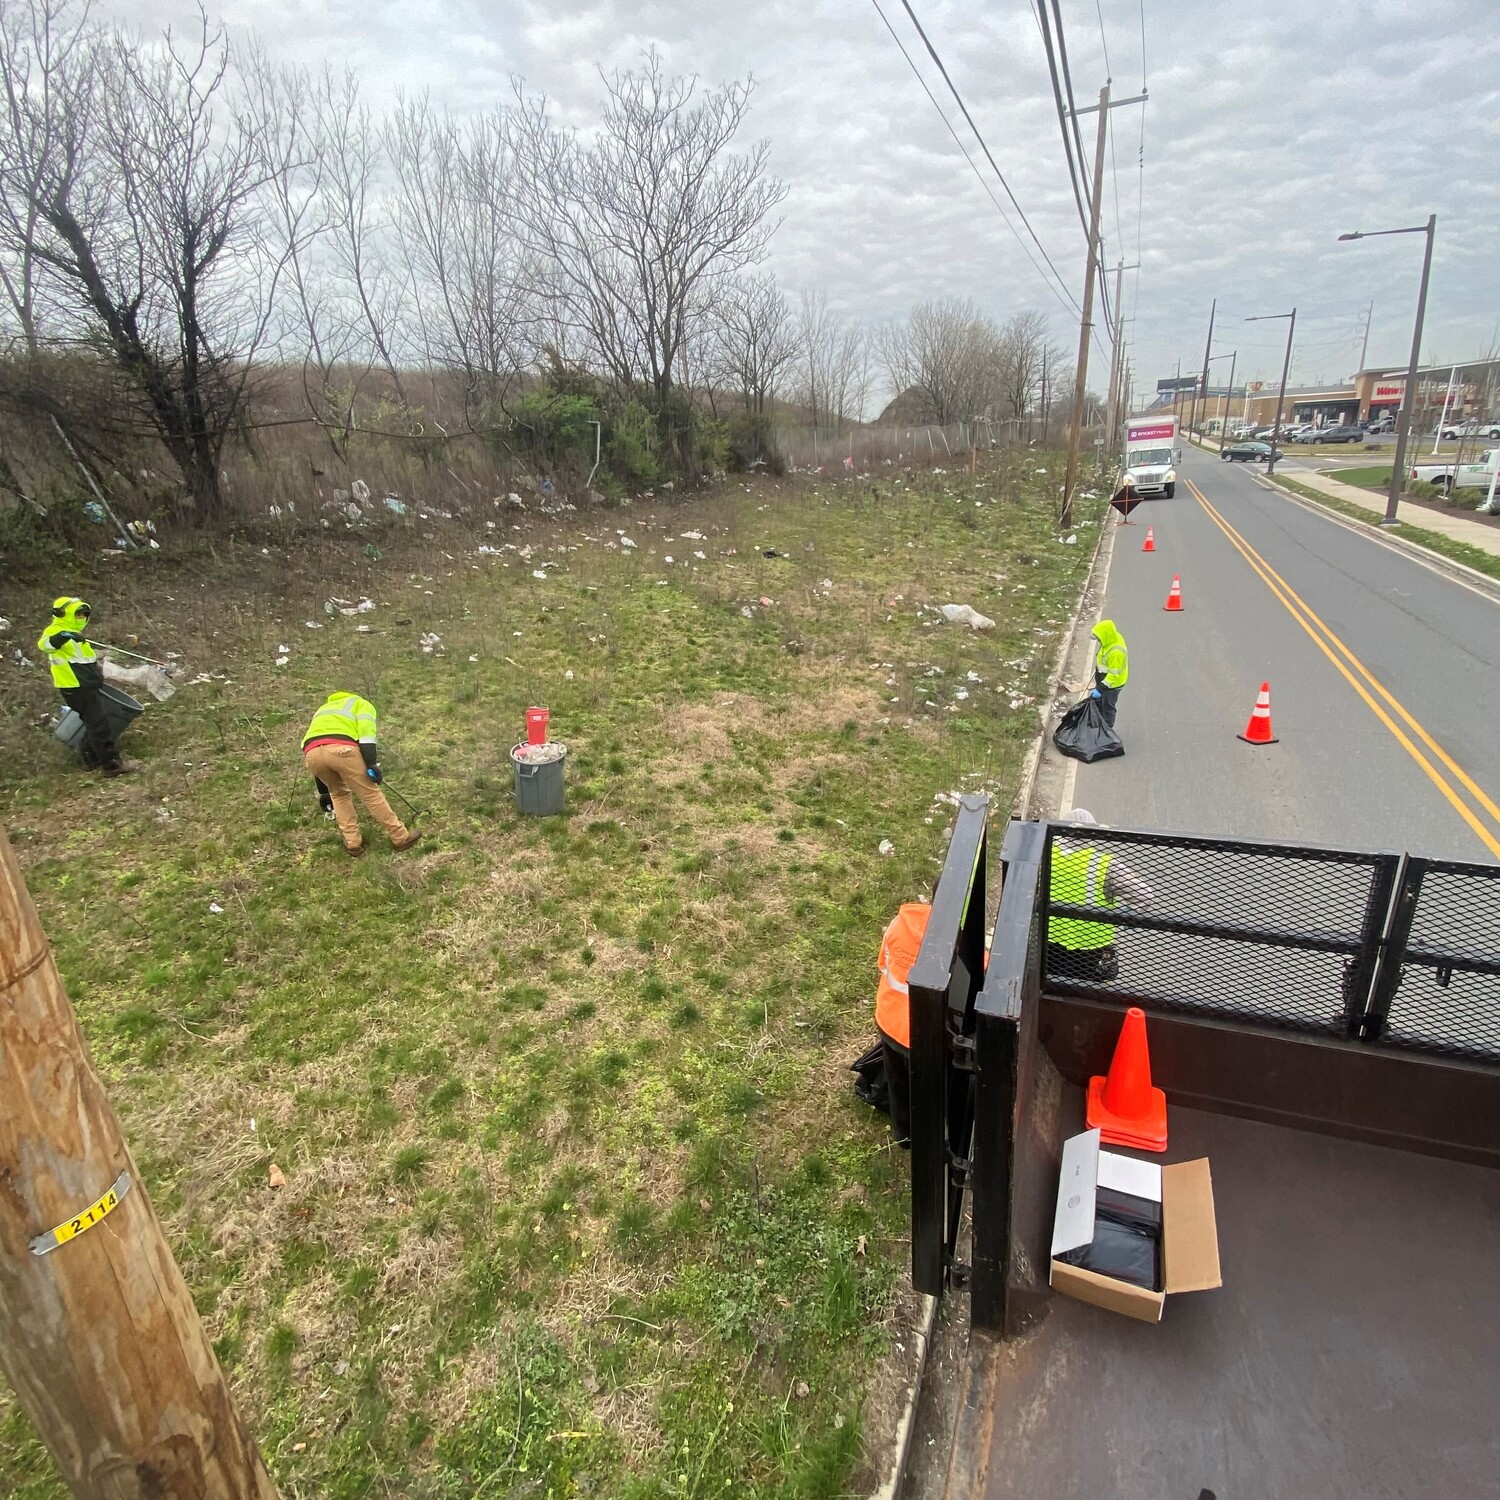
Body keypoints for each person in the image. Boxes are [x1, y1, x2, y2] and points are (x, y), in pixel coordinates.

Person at [301, 691, 422, 858]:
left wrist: (323, 793)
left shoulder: (323, 709)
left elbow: (320, 748)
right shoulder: (361, 704)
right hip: (342, 748)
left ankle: (353, 843)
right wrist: (372, 764)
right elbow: (366, 737)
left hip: (311, 754)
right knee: (370, 793)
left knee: (338, 794)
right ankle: (400, 837)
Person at [1046, 809, 1152, 984]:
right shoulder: (1104, 864)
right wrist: (1127, 912)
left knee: (1048, 988)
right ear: (1093, 835)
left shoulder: (1047, 855)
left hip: (1047, 945)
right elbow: (1144, 896)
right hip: (1089, 952)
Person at [37, 596, 125, 776]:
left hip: (86, 685)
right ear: (65, 614)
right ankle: (111, 765)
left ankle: (90, 758)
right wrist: (62, 636)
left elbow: (83, 660)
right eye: (77, 614)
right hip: (75, 687)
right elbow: (45, 645)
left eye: (84, 614)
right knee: (99, 724)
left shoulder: (76, 633)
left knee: (94, 723)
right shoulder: (57, 630)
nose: (81, 617)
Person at [1089, 619, 1129, 729]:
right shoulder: (1110, 640)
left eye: (1099, 638)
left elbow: (1113, 675)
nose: (1098, 641)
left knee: (1108, 706)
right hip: (1103, 679)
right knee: (1100, 704)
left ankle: (1107, 731)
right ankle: (1099, 726)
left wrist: (1100, 689)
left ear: (1106, 636)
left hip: (1112, 685)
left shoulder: (1116, 652)